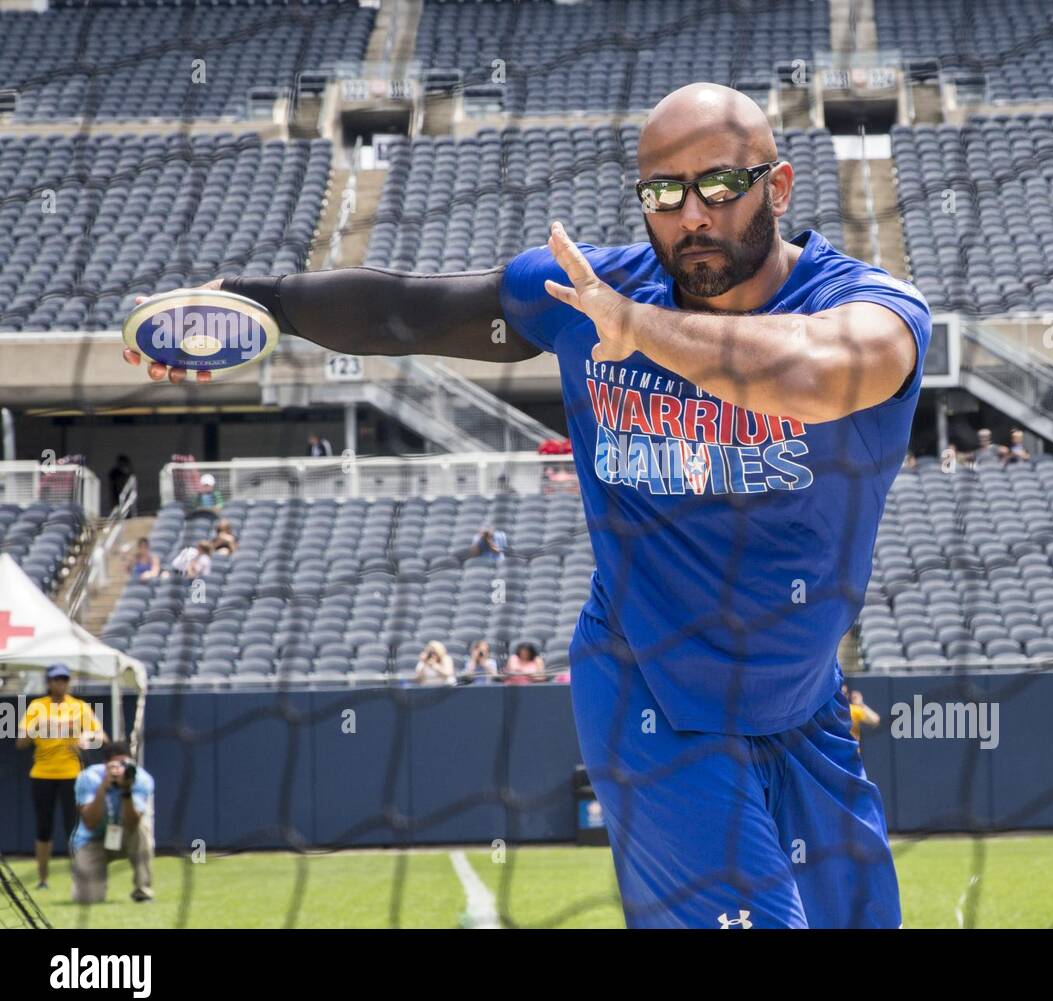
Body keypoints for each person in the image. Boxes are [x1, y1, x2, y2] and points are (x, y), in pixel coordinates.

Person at [123, 81, 927, 929]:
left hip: (802, 705)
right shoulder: (587, 294)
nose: (691, 213)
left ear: (781, 185)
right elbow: (412, 308)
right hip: (650, 684)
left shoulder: (870, 311)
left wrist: (638, 329)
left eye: (720, 185)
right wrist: (260, 300)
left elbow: (810, 373)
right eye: (663, 192)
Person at [16, 664, 102, 890]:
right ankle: (43, 879)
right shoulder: (37, 706)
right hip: (42, 775)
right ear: (49, 682)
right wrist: (37, 727)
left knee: (74, 827)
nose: (60, 683)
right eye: (56, 680)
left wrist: (86, 736)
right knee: (43, 827)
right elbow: (20, 742)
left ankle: (80, 876)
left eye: (64, 679)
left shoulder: (79, 707)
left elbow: (101, 736)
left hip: (72, 775)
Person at [70, 740, 156, 903]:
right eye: (117, 764)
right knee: (86, 899)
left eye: (126, 763)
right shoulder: (88, 778)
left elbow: (132, 823)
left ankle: (143, 891)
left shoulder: (142, 779)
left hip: (127, 836)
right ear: (106, 764)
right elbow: (89, 822)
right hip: (93, 840)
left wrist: (126, 791)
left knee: (142, 827)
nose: (121, 768)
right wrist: (103, 788)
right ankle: (92, 884)